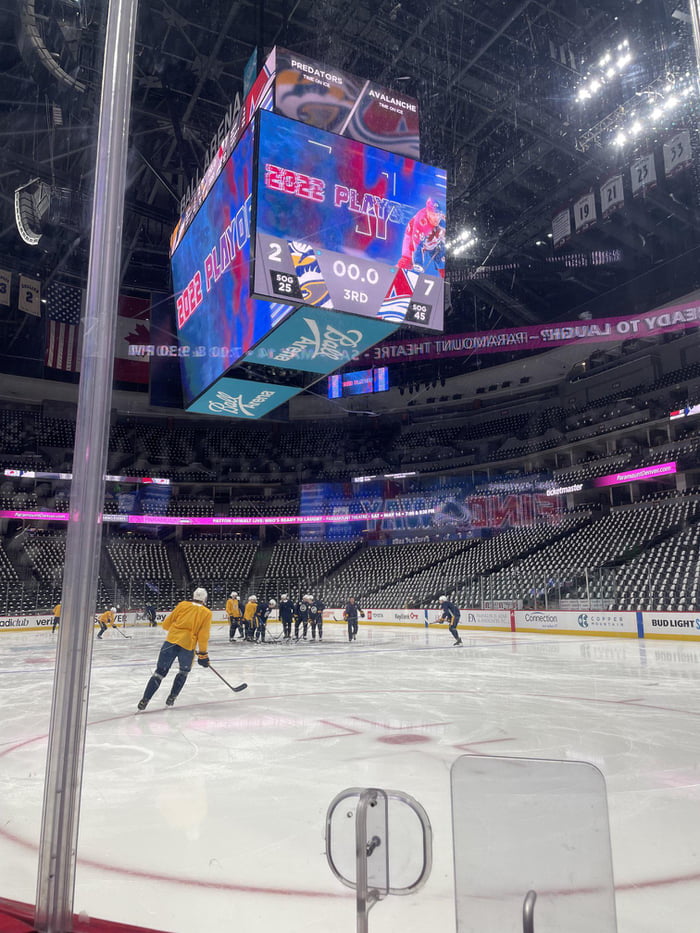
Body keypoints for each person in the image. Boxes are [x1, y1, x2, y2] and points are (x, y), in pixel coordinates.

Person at [137, 587, 212, 710]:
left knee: (159, 672)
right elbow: (203, 635)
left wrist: (176, 631)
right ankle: (172, 697)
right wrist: (203, 654)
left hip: (171, 642)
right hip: (187, 645)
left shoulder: (182, 605)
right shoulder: (206, 613)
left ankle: (145, 699)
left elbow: (167, 624)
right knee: (183, 671)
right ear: (204, 599)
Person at [397, 197, 446, 277]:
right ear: (428, 212)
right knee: (407, 262)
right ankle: (393, 276)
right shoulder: (421, 222)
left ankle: (444, 284)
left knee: (443, 265)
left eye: (438, 214)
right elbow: (416, 246)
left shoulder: (443, 220)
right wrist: (418, 263)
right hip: (413, 237)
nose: (436, 218)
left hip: (432, 240)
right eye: (433, 215)